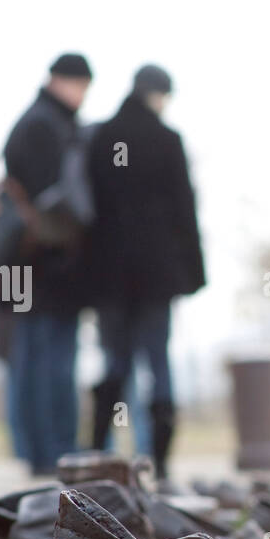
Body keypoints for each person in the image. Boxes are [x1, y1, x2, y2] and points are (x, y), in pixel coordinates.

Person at [86, 64, 206, 483]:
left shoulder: (101, 137)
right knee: (159, 360)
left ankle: (98, 454)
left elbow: (90, 212)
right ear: (158, 95)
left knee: (115, 361)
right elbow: (184, 211)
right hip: (158, 274)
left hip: (111, 275)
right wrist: (194, 273)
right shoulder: (167, 141)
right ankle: (161, 461)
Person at [2, 52, 93, 475]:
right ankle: (52, 450)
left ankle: (38, 448)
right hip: (45, 265)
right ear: (64, 81)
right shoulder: (46, 125)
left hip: (27, 266)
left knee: (32, 356)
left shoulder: (38, 120)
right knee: (48, 357)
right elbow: (55, 200)